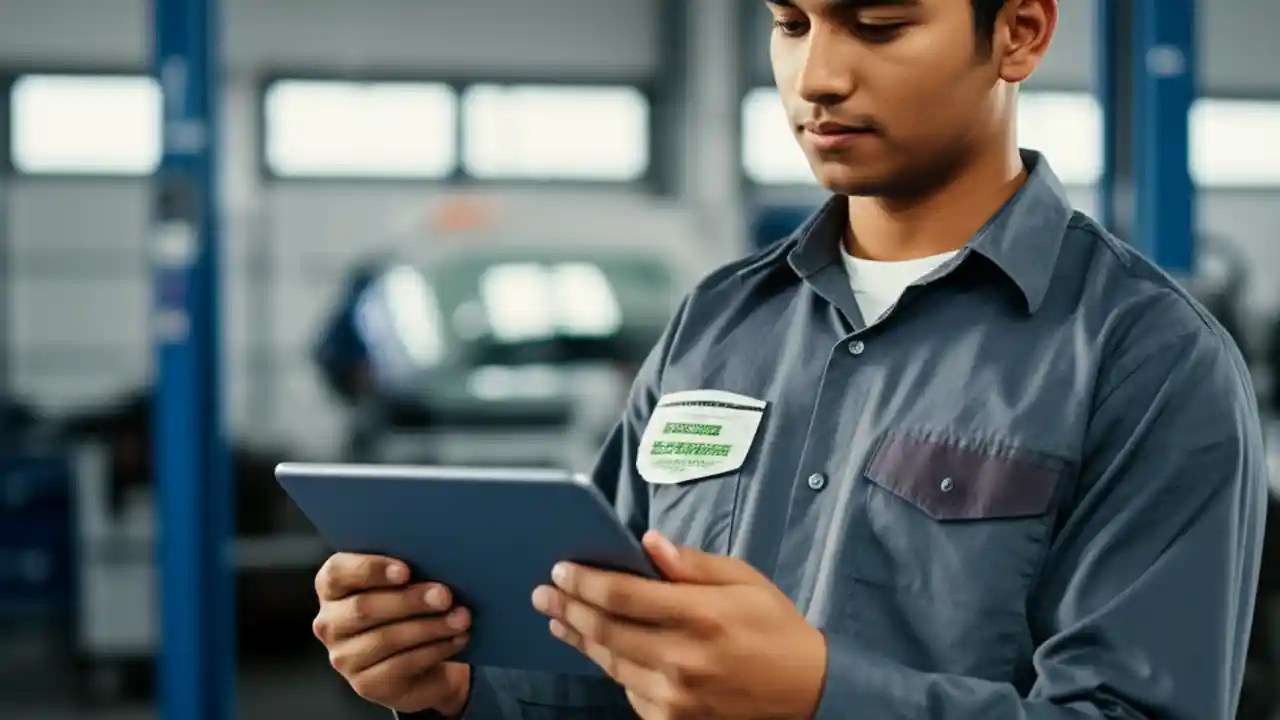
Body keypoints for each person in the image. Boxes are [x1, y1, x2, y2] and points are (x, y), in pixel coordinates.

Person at [309, 0, 1268, 717]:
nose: (816, 76)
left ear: (1017, 32)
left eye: (879, 25)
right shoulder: (718, 324)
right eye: (791, 22)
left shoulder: (1150, 362)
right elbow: (605, 663)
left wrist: (820, 695)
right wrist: (454, 681)